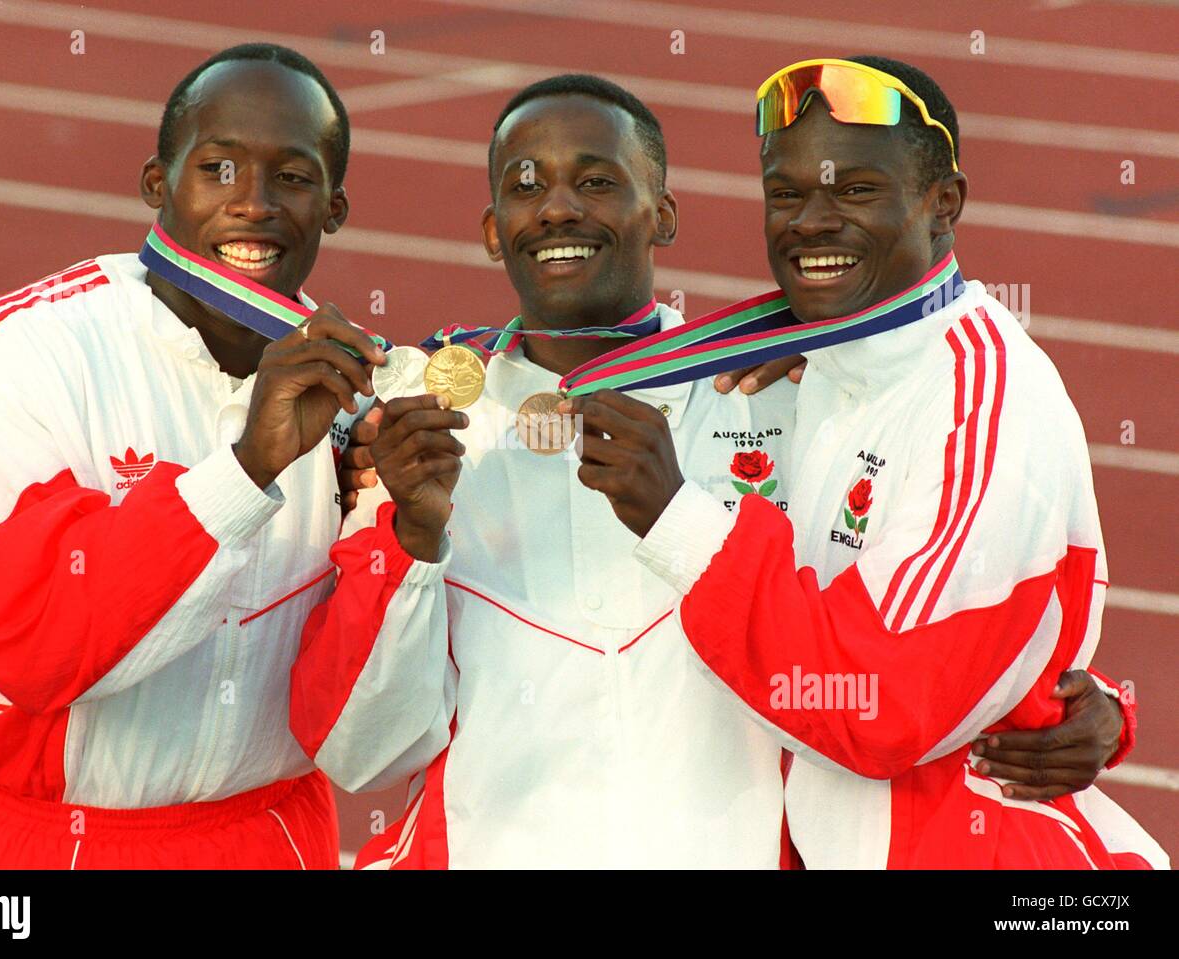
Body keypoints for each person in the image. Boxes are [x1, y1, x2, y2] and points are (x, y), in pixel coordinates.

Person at [297, 74, 1131, 868]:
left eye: (595, 182)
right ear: (490, 228)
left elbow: (912, 628)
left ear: (662, 215)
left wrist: (1072, 704)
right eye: (525, 186)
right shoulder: (423, 428)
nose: (558, 208)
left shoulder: (783, 393)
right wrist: (409, 540)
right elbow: (360, 749)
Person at [573, 56, 1166, 869]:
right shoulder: (804, 363)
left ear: (943, 204)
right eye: (787, 194)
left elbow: (880, 701)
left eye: (855, 191)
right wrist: (1086, 699)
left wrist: (678, 520)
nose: (811, 221)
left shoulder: (984, 400)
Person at [0, 43, 443, 869]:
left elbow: (367, 746)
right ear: (157, 185)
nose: (255, 204)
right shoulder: (21, 348)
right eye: (219, 167)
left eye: (294, 177)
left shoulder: (365, 393)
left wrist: (408, 540)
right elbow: (35, 646)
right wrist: (243, 471)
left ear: (334, 207)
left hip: (271, 837)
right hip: (47, 845)